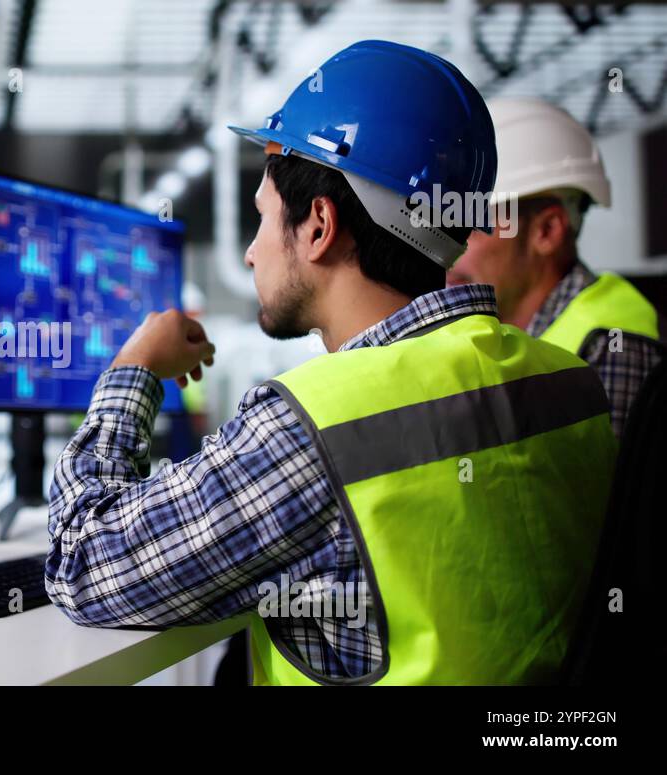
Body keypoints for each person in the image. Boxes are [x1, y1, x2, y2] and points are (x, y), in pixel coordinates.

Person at [45, 41, 617, 685]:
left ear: (318, 225)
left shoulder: (313, 428)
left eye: (260, 220)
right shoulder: (568, 379)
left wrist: (134, 371)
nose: (252, 255)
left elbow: (84, 567)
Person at [449, 97, 663, 438]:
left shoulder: (608, 344)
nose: (449, 250)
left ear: (546, 231)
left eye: (471, 227)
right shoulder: (493, 336)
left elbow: (601, 491)